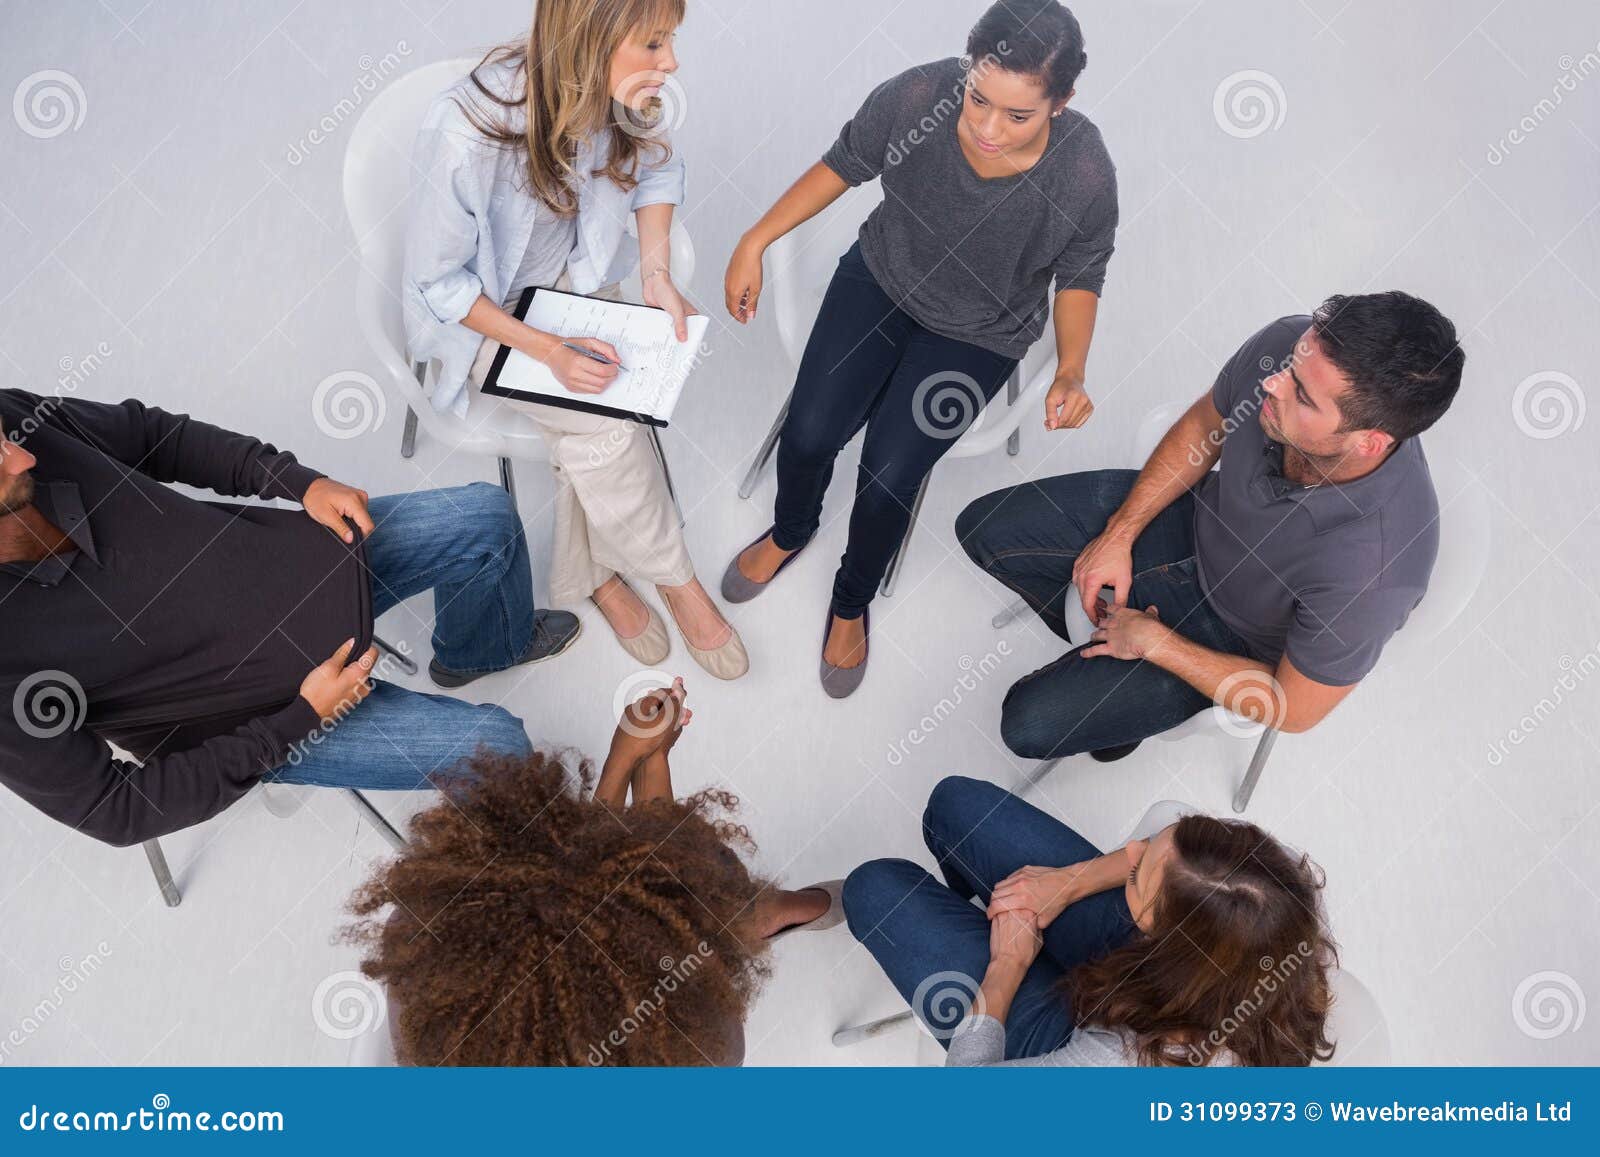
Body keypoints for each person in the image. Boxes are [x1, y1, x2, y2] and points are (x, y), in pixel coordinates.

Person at [721, 0, 1117, 698]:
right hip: (882, 277)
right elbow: (843, 164)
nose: (987, 128)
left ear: (1062, 102)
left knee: (887, 476)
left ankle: (851, 597)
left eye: (1017, 115)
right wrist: (755, 238)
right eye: (978, 99)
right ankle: (790, 529)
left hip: (980, 331)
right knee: (810, 433)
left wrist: (1075, 368)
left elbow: (1081, 274)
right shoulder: (919, 97)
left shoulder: (1082, 170)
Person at [0, 389, 575, 847]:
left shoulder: (12, 419)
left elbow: (154, 437)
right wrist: (297, 722)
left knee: (487, 518)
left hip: (306, 567)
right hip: (273, 713)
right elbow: (115, 811)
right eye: (0, 467)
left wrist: (295, 480)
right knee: (501, 746)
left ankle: (478, 652)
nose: (23, 455)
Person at [958, 291, 1466, 762]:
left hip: (1230, 640)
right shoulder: (1285, 350)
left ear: (1368, 442)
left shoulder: (1377, 570)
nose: (1274, 381)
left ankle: (1115, 707)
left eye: (1303, 397)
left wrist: (1157, 645)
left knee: (1025, 725)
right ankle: (1104, 664)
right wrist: (1120, 533)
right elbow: (1206, 424)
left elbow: (1294, 707)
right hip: (1196, 518)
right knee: (982, 530)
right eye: (1294, 361)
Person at [404, 0, 747, 680]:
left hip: (568, 285)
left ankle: (591, 577)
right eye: (653, 43)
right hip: (487, 319)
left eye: (669, 41)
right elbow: (439, 285)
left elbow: (654, 169)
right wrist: (545, 350)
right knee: (608, 425)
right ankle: (676, 578)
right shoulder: (466, 135)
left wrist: (653, 275)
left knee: (605, 408)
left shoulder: (617, 94)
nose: (671, 62)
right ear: (593, 40)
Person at [348, 679, 844, 1066]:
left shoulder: (426, 950)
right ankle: (769, 912)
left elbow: (595, 891)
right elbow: (649, 911)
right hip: (681, 946)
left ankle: (753, 908)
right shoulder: (702, 1049)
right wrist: (637, 764)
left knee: (691, 892)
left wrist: (626, 762)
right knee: (714, 885)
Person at [843, 775, 1337, 1066]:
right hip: (1150, 978)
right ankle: (960, 910)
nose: (1132, 849)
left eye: (1138, 873)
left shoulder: (1121, 1066)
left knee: (874, 890)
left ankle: (965, 932)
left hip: (1091, 1035)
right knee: (955, 804)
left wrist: (1007, 964)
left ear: (1164, 937)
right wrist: (1071, 880)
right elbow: (1158, 854)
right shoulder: (1269, 887)